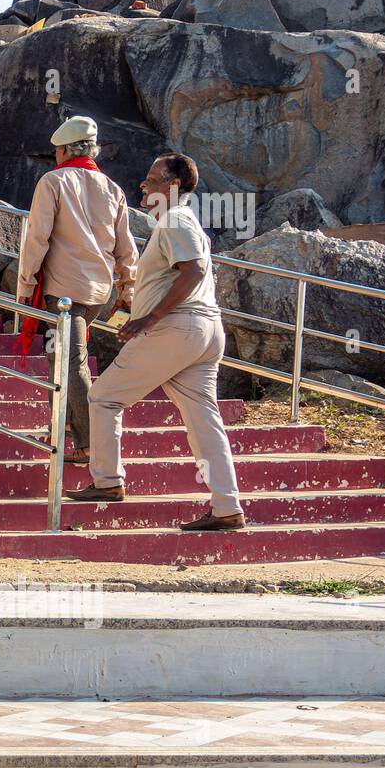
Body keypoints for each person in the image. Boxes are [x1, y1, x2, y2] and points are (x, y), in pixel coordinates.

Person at [66, 153, 245, 532]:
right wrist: (139, 308)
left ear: (173, 186)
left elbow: (193, 271)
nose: (144, 185)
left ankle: (107, 482)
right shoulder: (182, 220)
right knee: (203, 419)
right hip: (206, 330)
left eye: (152, 178)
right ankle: (227, 507)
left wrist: (151, 318)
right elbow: (182, 274)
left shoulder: (176, 219)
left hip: (178, 329)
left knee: (103, 397)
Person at [16, 116, 137, 464]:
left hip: (64, 293)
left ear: (64, 151)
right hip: (100, 292)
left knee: (70, 364)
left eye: (56, 151)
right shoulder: (113, 189)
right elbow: (127, 249)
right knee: (66, 363)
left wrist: (25, 285)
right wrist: (128, 287)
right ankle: (67, 433)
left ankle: (90, 446)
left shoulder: (53, 182)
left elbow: (36, 238)